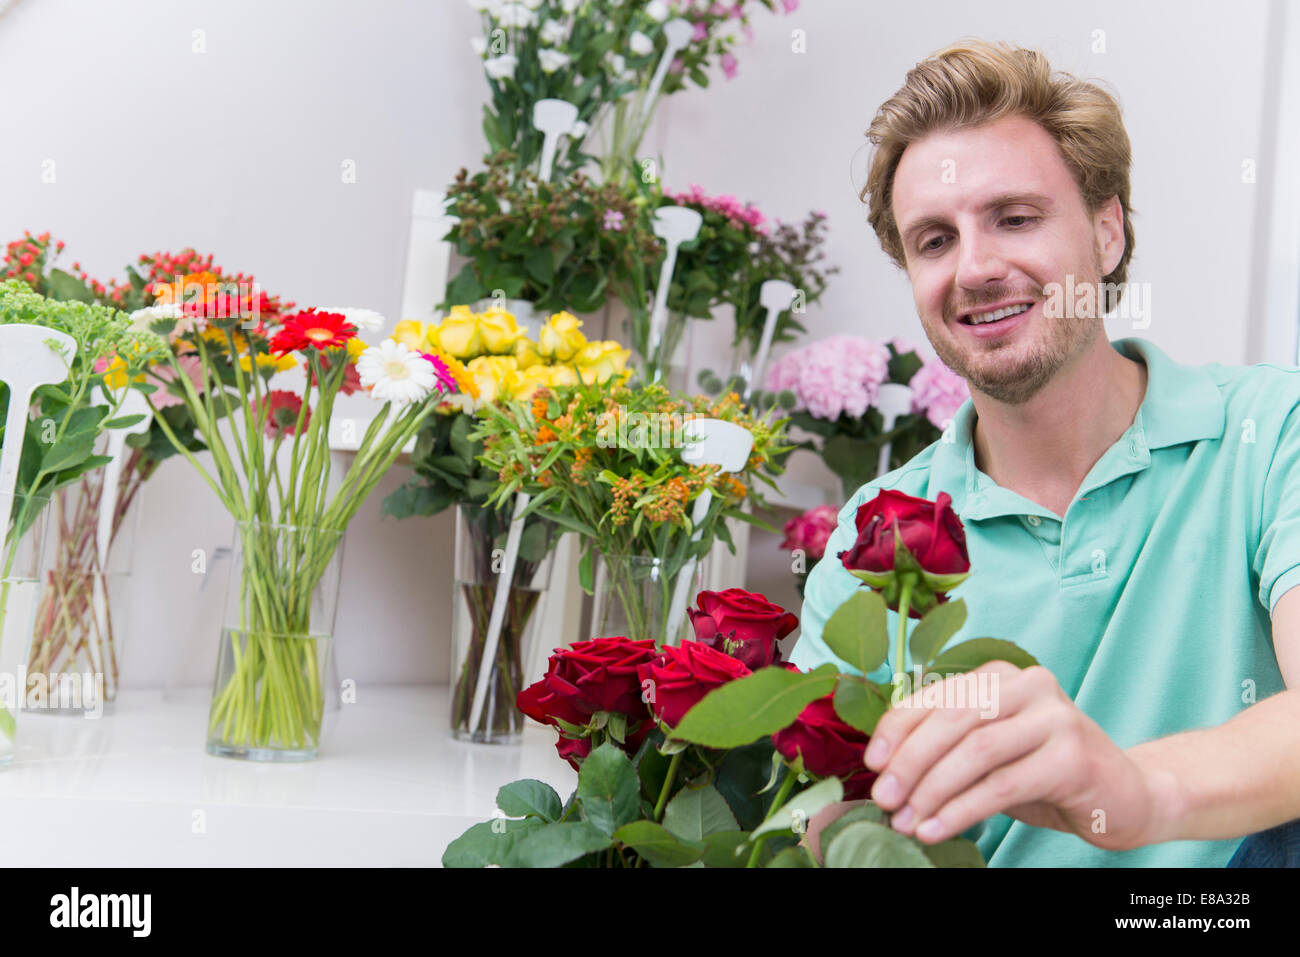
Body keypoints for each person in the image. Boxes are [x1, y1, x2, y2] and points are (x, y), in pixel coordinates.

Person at [790, 38, 1300, 867]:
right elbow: (816, 822)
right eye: (934, 240)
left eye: (1015, 218)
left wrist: (1131, 794)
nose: (977, 267)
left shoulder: (1271, 430)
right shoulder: (877, 537)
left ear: (1106, 233)